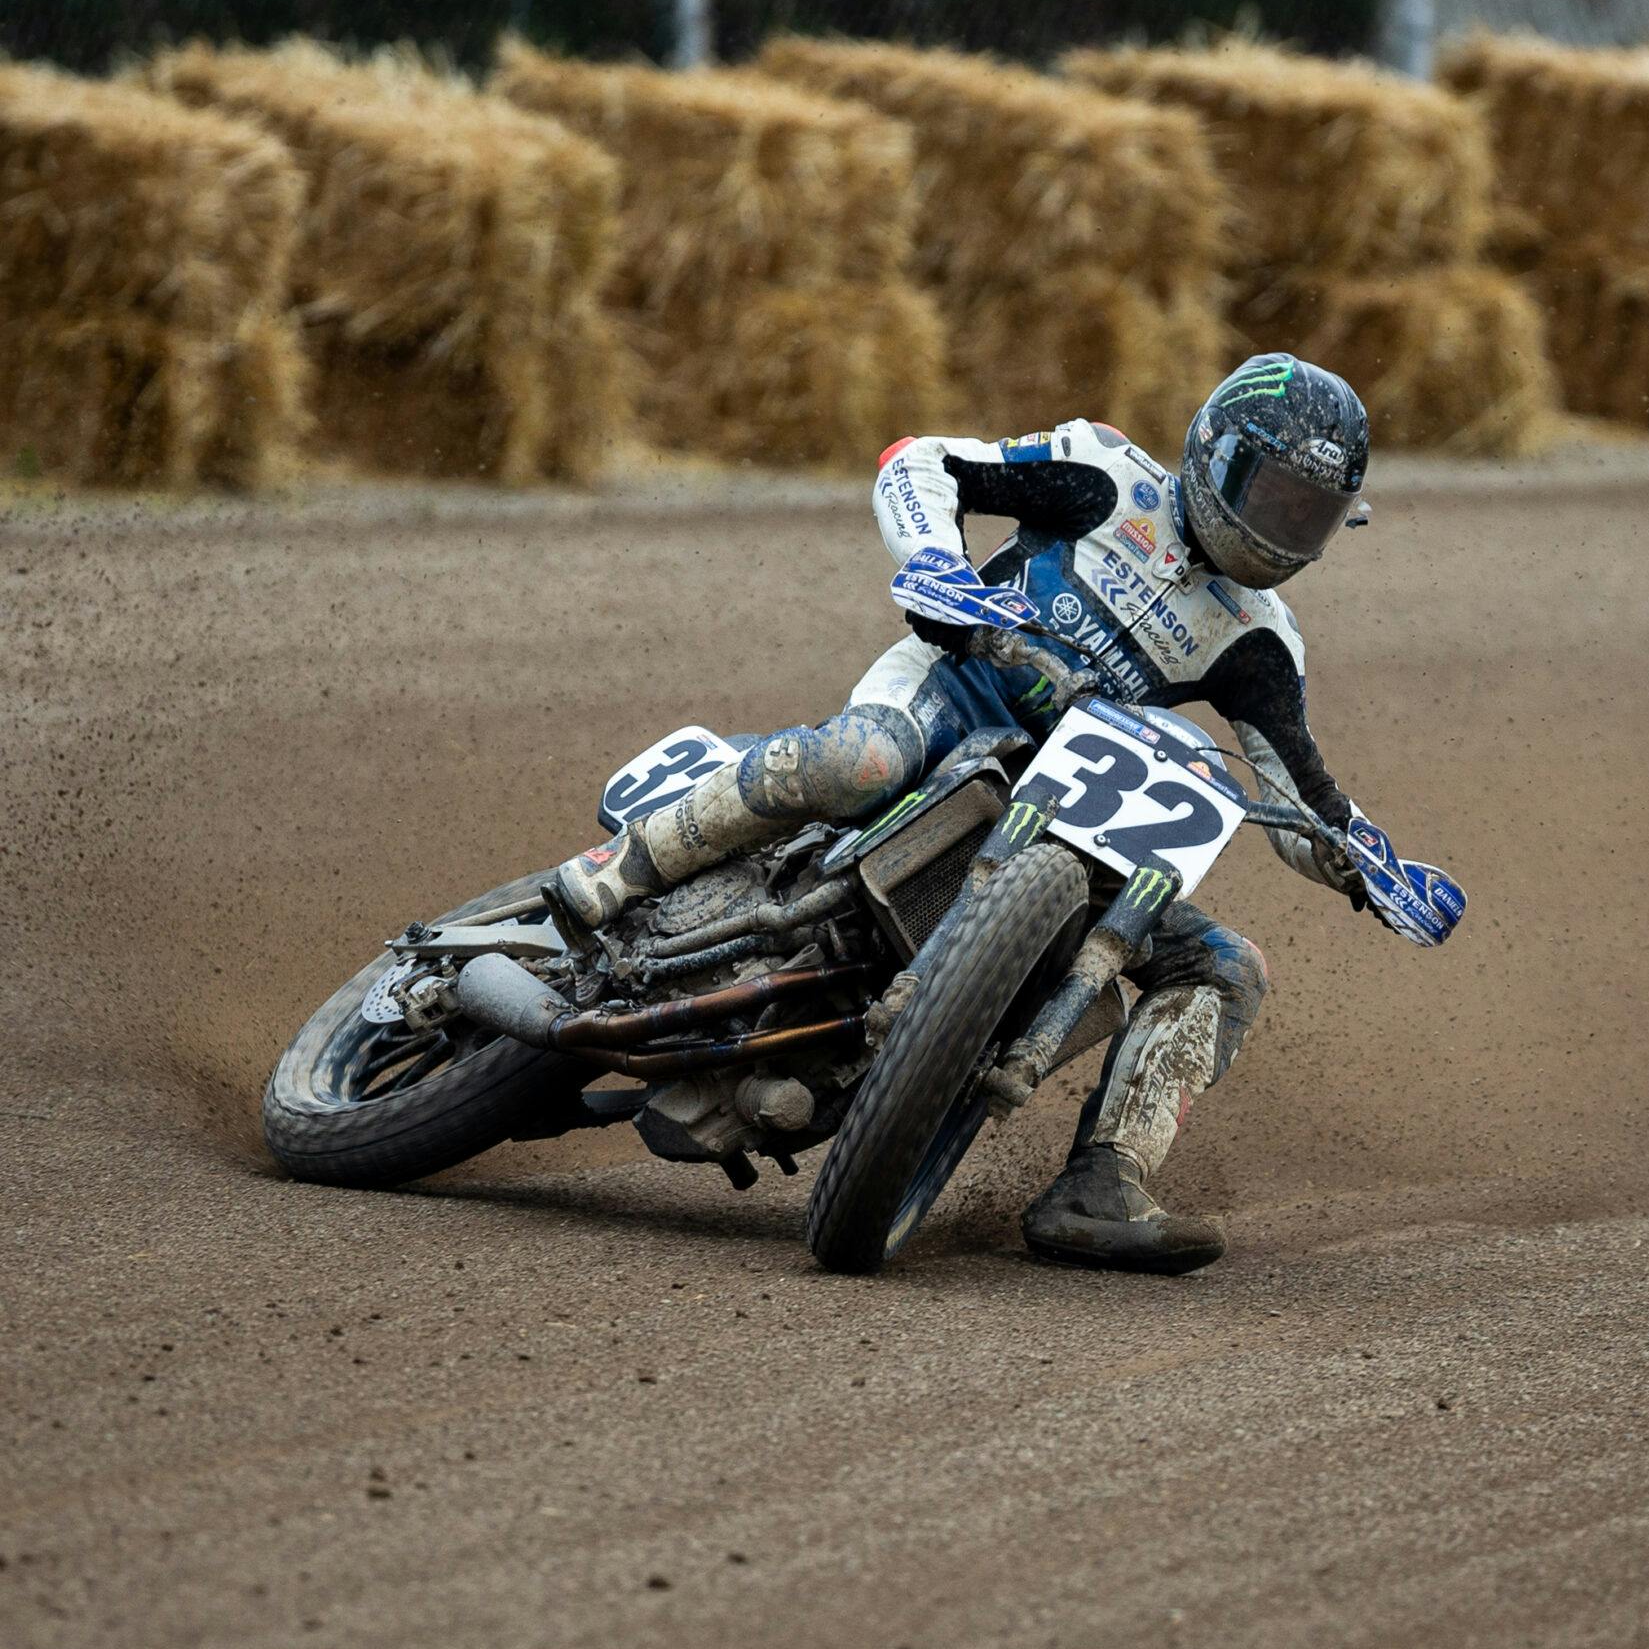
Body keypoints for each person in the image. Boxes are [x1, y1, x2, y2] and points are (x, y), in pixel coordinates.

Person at [550, 353, 1417, 1275]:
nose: (1277, 524)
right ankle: (629, 865)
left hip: (1075, 811)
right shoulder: (1105, 472)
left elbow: (1298, 794)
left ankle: (1102, 1181)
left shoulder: (1262, 642)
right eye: (1269, 491)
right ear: (1213, 449)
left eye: (1305, 513)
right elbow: (920, 461)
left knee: (1229, 968)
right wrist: (936, 563)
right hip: (951, 696)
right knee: (861, 758)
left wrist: (1373, 864)